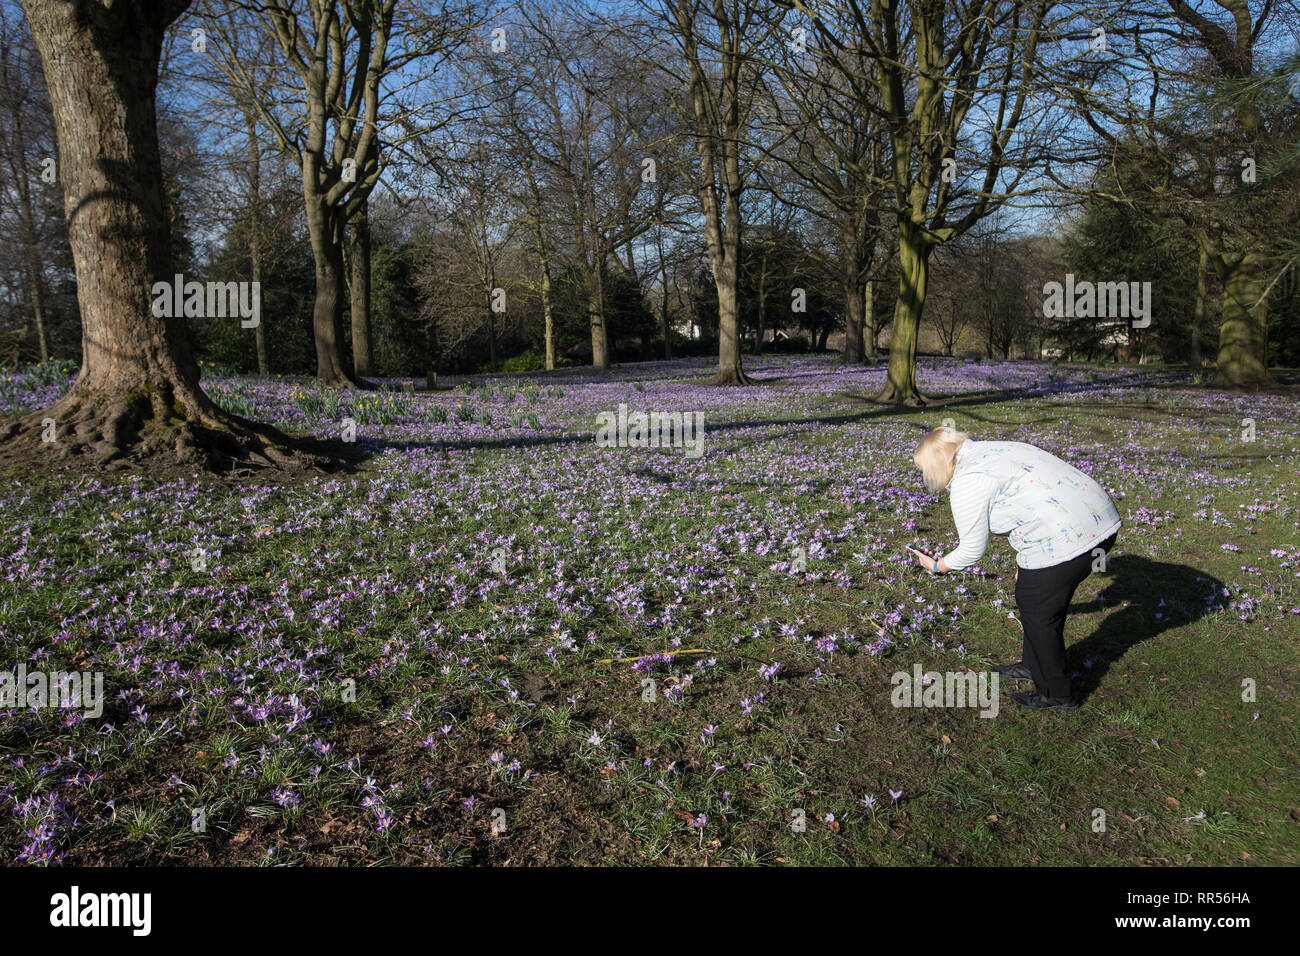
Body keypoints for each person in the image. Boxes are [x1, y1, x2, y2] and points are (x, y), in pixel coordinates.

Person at [907, 427, 1121, 710]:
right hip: (1099, 520)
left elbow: (972, 549)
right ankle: (1033, 666)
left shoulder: (969, 481)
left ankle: (1057, 694)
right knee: (1033, 598)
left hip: (1073, 536)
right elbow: (1028, 500)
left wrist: (939, 565)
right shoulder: (993, 449)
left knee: (1040, 613)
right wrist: (1030, 562)